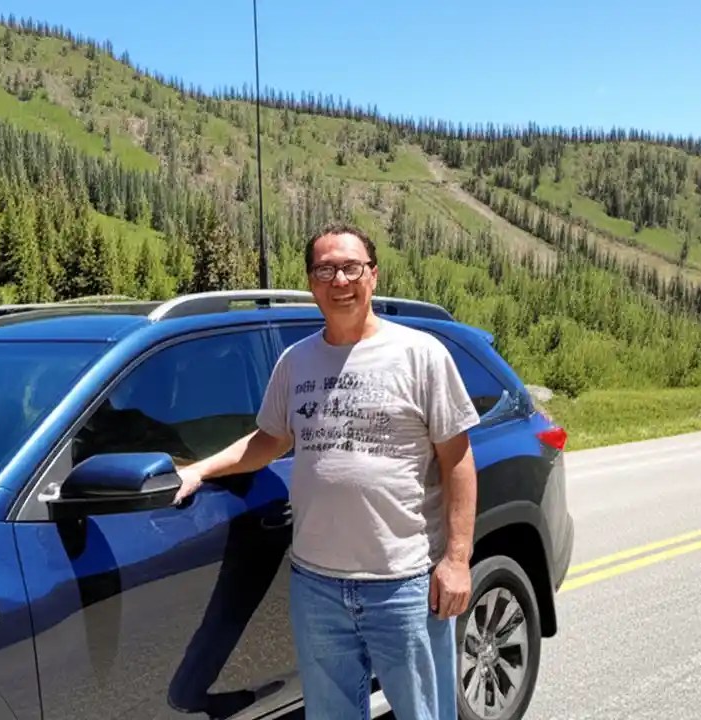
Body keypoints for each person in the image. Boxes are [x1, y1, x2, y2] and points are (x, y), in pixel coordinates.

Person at [173, 223, 480, 720]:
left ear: (372, 276)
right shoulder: (296, 362)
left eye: (350, 267)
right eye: (325, 269)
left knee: (425, 713)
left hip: (402, 585)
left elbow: (458, 460)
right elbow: (269, 439)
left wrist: (458, 559)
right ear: (312, 282)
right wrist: (200, 470)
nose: (339, 280)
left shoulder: (420, 355)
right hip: (316, 588)